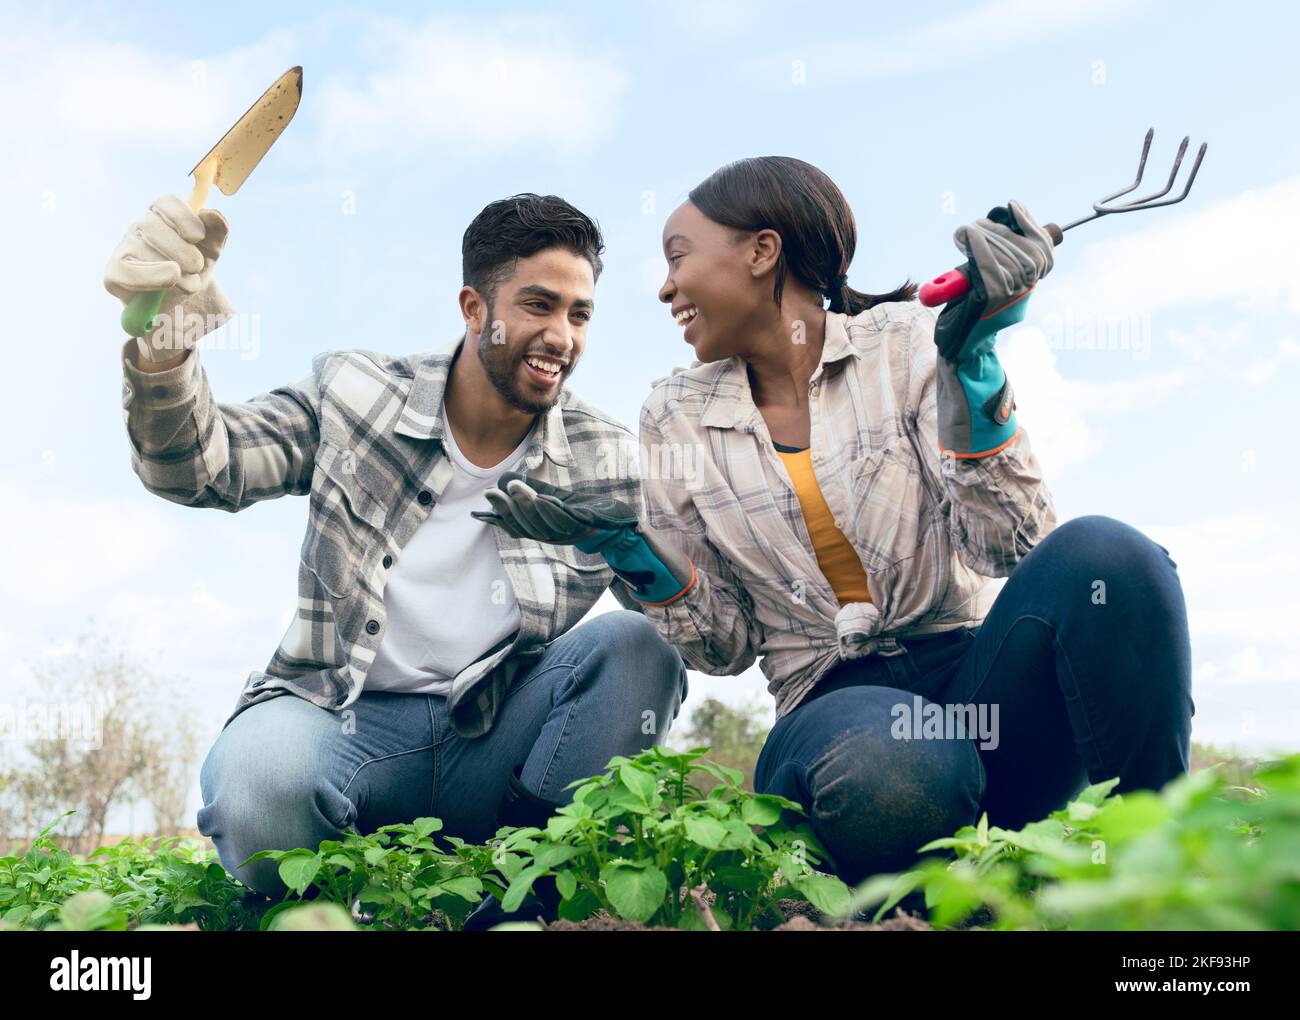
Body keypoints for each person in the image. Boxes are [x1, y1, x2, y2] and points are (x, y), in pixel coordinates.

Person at [480, 156, 1195, 895]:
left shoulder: (910, 343)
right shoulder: (677, 414)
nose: (665, 287)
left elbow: (1006, 544)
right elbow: (723, 645)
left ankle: (1164, 874)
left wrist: (972, 369)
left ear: (762, 252)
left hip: (981, 685)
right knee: (900, 762)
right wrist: (632, 550)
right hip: (834, 716)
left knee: (1109, 557)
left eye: (677, 257)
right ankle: (938, 891)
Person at [105, 192, 689, 916]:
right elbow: (201, 469)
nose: (561, 336)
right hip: (344, 721)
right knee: (260, 789)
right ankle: (336, 909)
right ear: (474, 308)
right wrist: (165, 348)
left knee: (635, 648)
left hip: (496, 733)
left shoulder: (602, 454)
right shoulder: (358, 394)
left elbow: (689, 629)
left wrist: (632, 550)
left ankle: (520, 901)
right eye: (538, 305)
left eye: (579, 314)